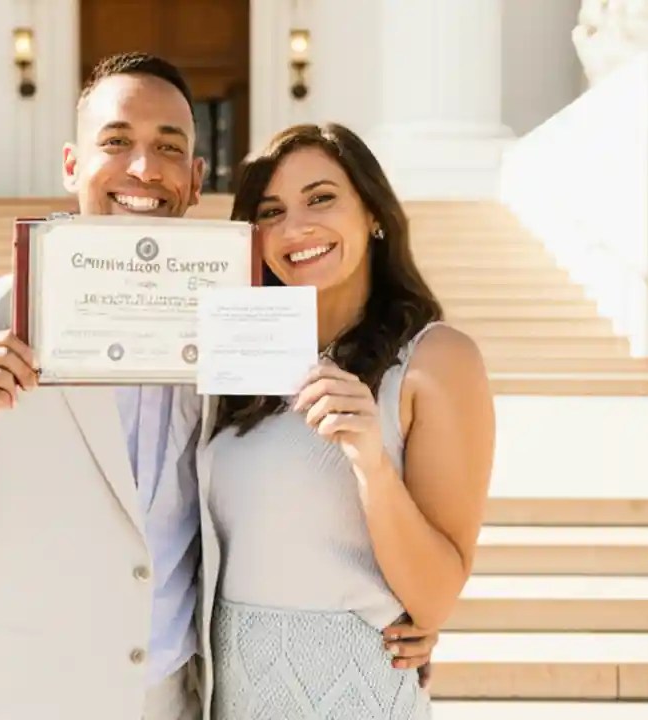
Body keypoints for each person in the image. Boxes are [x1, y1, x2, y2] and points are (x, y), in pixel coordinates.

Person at [0, 53, 438, 720]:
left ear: (196, 177)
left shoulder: (227, 332)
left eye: (168, 148)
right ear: (71, 164)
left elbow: (277, 498)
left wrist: (399, 611)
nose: (144, 169)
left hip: (169, 703)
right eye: (116, 142)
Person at [198, 123, 496, 719]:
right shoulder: (238, 356)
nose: (296, 227)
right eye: (271, 211)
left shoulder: (437, 359)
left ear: (373, 213)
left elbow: (434, 599)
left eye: (321, 198)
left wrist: (370, 462)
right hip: (229, 692)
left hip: (350, 691)